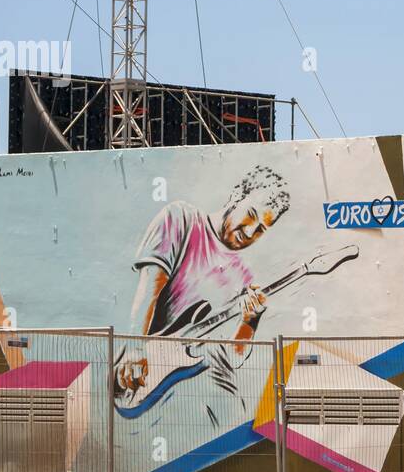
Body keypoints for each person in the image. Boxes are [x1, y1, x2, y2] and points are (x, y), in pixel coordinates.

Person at [115, 166, 290, 405]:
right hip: (138, 377)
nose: (250, 231)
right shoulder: (180, 219)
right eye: (250, 214)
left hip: (191, 402)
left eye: (261, 229)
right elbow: (149, 291)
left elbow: (233, 358)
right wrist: (136, 349)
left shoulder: (244, 278)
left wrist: (250, 322)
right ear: (236, 195)